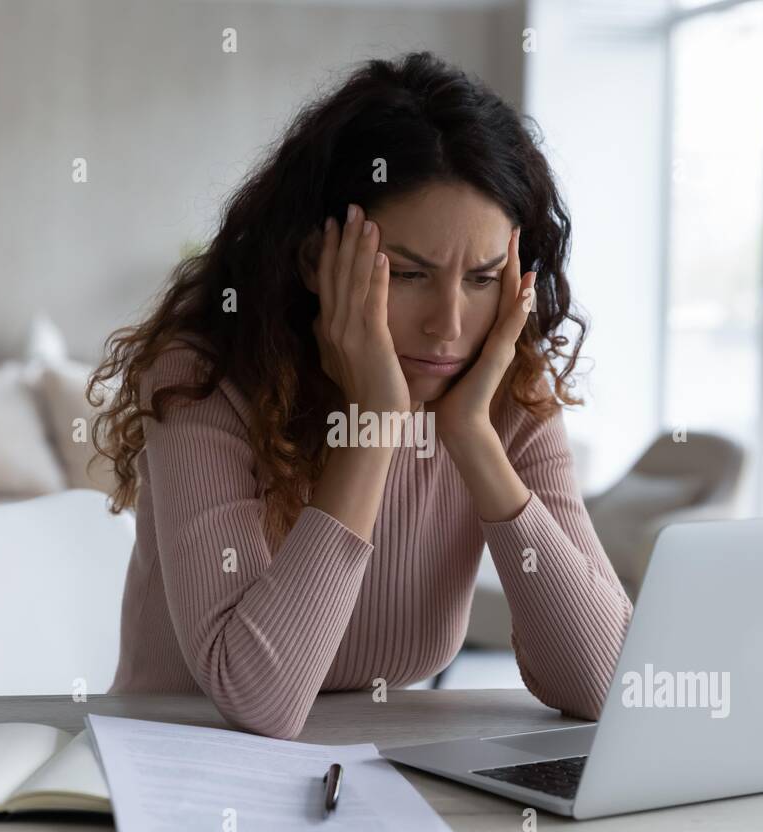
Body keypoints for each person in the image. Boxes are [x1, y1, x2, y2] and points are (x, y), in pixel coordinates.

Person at [89, 51, 633, 739]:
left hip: (382, 774)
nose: (449, 325)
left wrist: (473, 440)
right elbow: (257, 698)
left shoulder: (500, 393)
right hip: (176, 767)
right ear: (319, 260)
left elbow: (606, 682)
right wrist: (374, 424)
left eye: (482, 278)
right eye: (408, 275)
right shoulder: (204, 380)